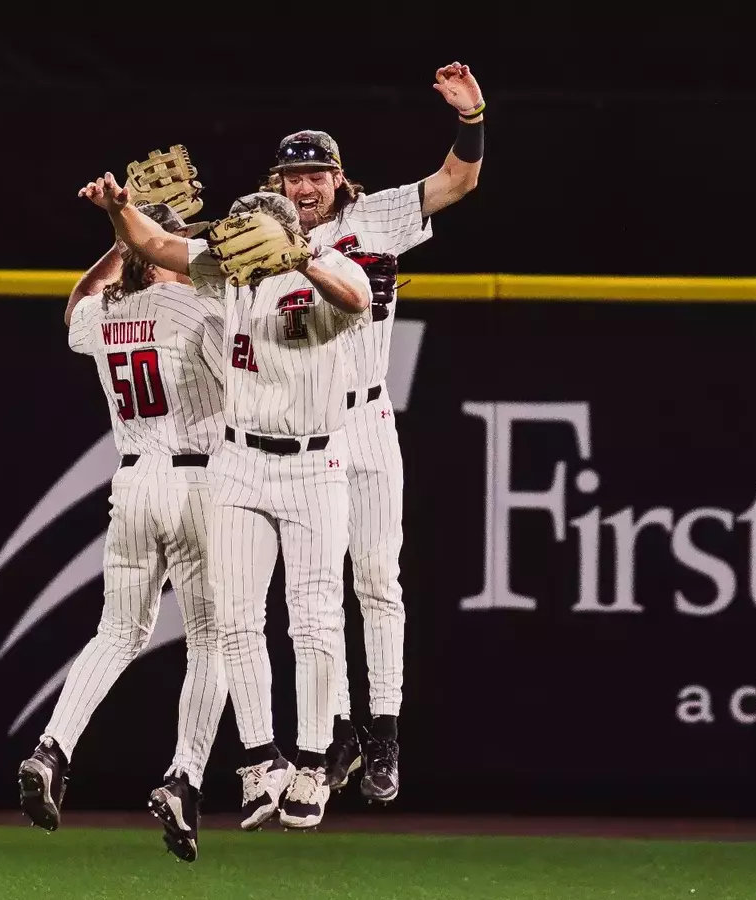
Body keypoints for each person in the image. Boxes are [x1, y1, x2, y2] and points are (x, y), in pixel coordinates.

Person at [80, 174, 373, 831]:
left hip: (313, 463)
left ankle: (315, 763)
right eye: (235, 238)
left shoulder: (322, 267)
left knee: (314, 617)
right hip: (240, 458)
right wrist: (121, 211)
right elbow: (153, 244)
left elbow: (355, 298)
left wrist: (300, 255)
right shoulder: (224, 269)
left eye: (250, 238)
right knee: (236, 619)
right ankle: (262, 758)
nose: (235, 249)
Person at [260, 61, 485, 804]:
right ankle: (338, 728)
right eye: (295, 175)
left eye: (318, 173)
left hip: (369, 416)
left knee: (376, 582)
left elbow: (456, 182)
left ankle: (382, 733)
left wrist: (471, 120)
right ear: (278, 183)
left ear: (337, 177)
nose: (306, 186)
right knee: (313, 599)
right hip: (308, 429)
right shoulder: (260, 243)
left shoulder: (375, 219)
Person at [17, 202, 230, 864]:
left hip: (133, 481)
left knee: (116, 633)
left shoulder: (110, 314)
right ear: (164, 246)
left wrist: (116, 241)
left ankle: (53, 749)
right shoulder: (204, 310)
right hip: (199, 482)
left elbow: (74, 304)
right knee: (212, 641)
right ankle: (183, 779)